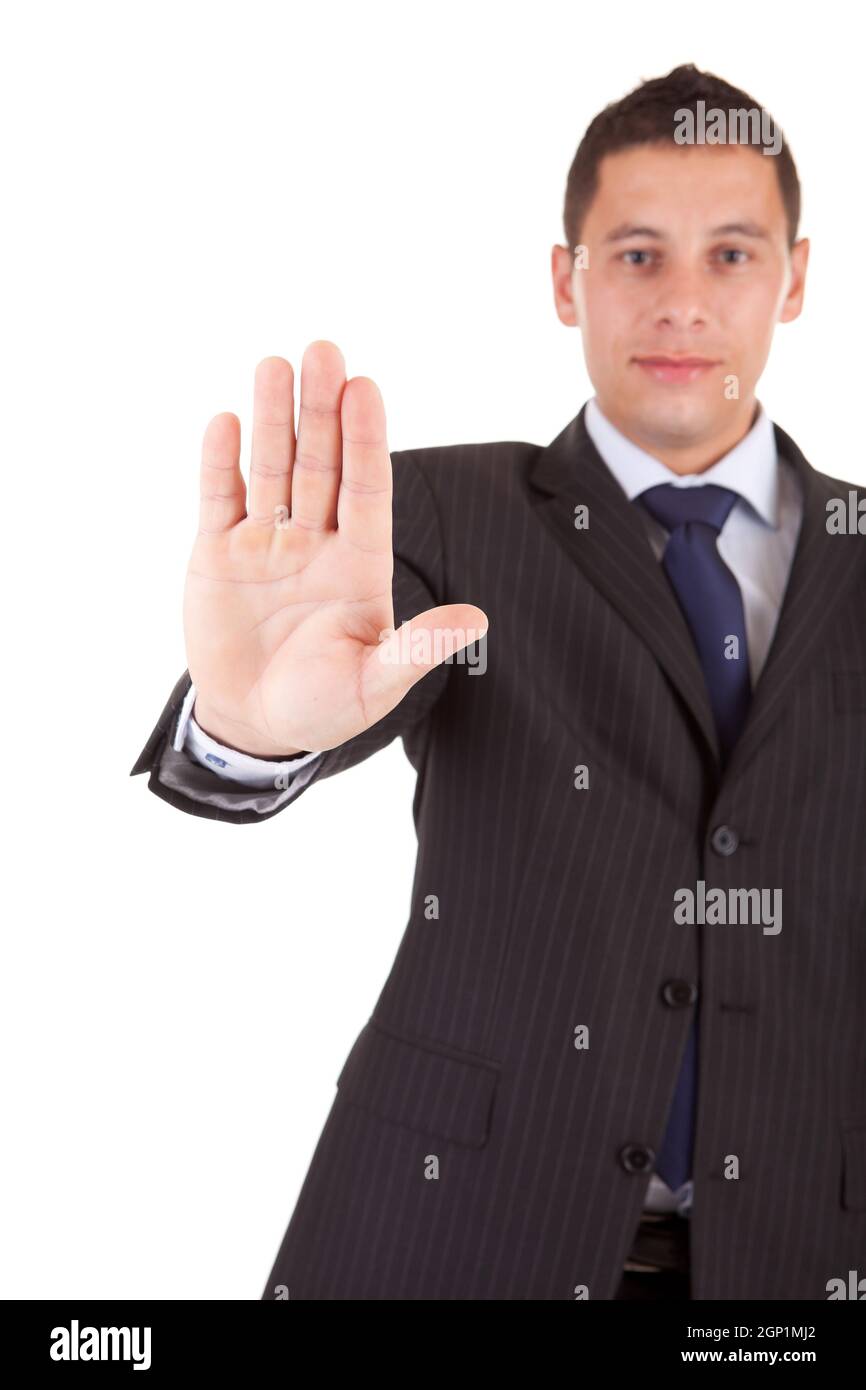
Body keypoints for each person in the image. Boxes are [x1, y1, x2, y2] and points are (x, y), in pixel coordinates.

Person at [130, 63, 866, 1300]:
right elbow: (352, 665)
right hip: (454, 1234)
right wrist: (250, 731)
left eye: (729, 255)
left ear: (794, 278)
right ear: (563, 279)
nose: (682, 301)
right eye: (635, 254)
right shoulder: (434, 513)